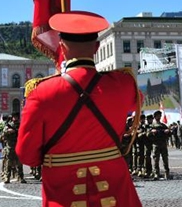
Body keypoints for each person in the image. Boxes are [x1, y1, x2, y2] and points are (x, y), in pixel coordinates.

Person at [16, 11, 142, 207]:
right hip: (116, 194)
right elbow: (137, 101)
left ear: (61, 48)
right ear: (97, 47)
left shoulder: (41, 92)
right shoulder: (123, 84)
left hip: (63, 193)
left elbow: (27, 155)